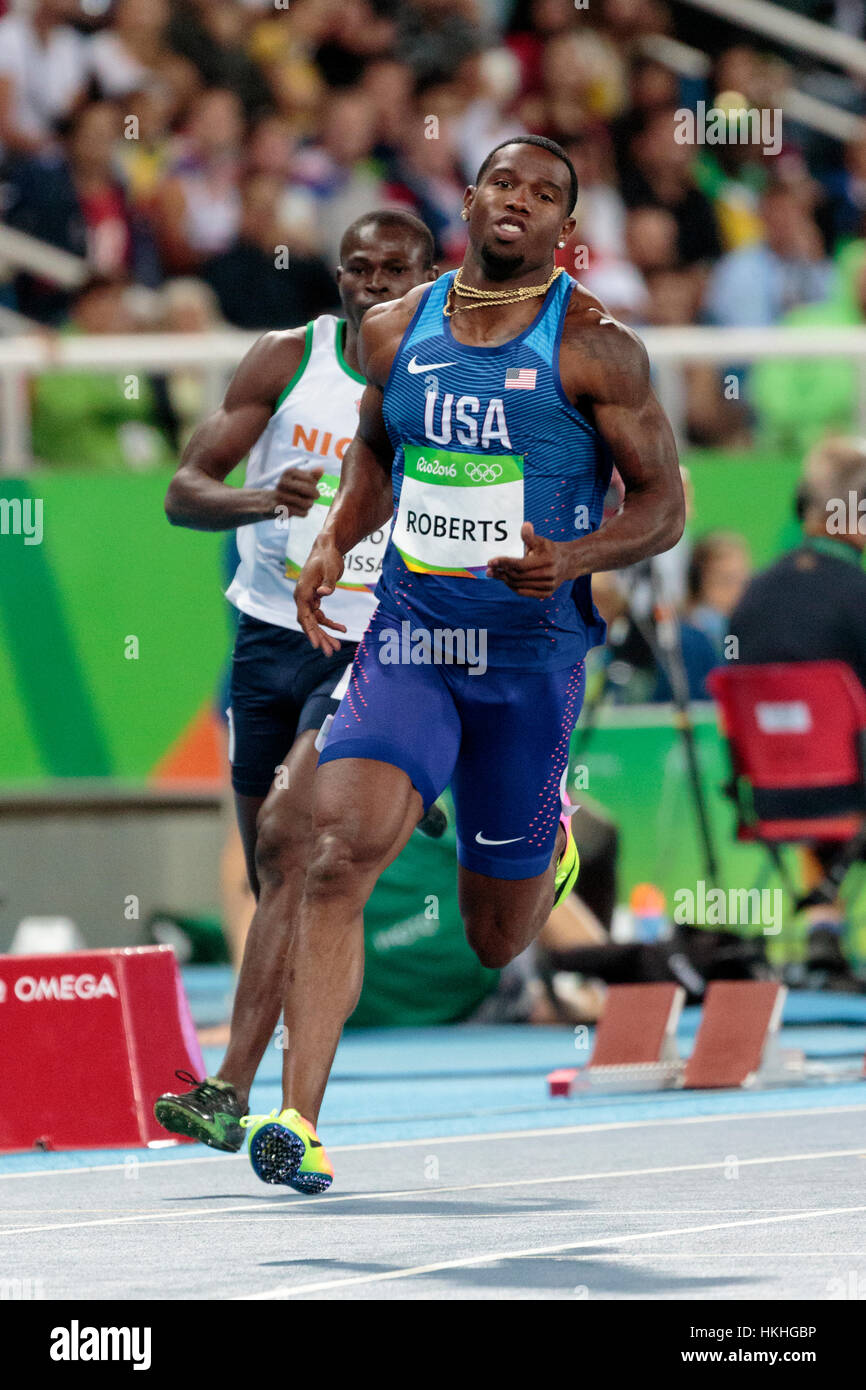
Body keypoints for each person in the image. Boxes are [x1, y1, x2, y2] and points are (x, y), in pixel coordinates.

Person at [241, 135, 684, 1193]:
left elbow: (665, 507)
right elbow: (378, 452)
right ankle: (297, 1120)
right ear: (471, 197)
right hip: (409, 640)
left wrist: (570, 557)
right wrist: (339, 542)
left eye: (543, 195)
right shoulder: (396, 328)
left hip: (528, 659)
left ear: (563, 229)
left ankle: (552, 846)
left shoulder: (596, 348)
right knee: (332, 849)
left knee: (495, 938)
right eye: (502, 183)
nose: (517, 203)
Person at [153, 209, 438, 1150]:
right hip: (268, 641)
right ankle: (259, 1096)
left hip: (372, 647)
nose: (373, 286)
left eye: (394, 272)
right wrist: (259, 498)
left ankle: (250, 1090)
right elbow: (183, 491)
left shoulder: (441, 378)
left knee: (298, 837)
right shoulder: (287, 359)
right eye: (358, 269)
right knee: (280, 869)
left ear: (430, 277)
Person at [729, 437, 866, 985]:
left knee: (831, 763)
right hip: (851, 792)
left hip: (767, 793)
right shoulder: (858, 593)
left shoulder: (751, 595)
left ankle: (821, 924)